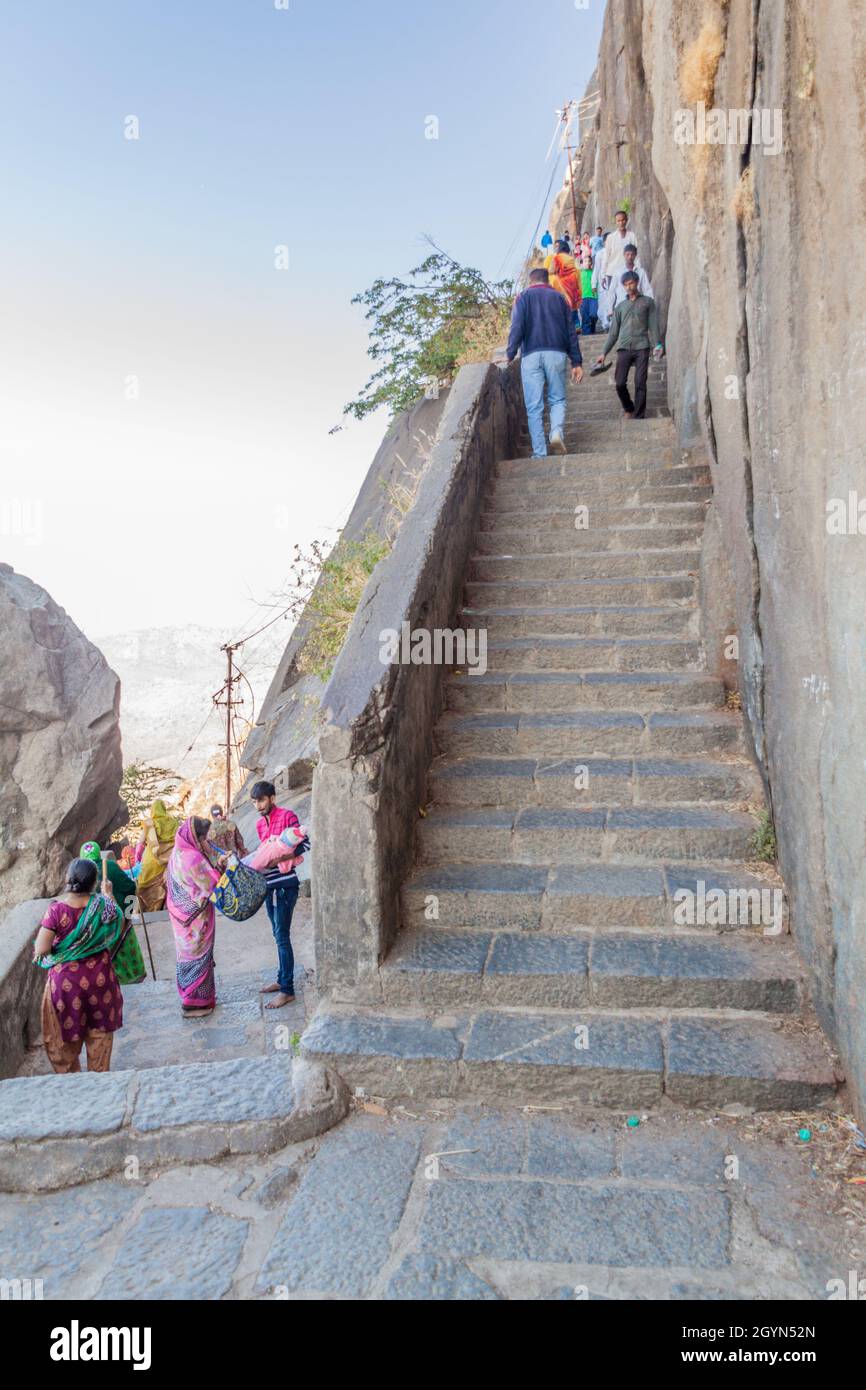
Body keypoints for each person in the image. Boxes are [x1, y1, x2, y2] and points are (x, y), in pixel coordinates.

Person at [33, 857, 125, 1073]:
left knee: (62, 1044)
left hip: (66, 987)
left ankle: (73, 1086)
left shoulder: (56, 911)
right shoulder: (102, 905)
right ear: (94, 883)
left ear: (67, 879)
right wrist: (108, 894)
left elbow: (41, 949)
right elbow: (117, 924)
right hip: (100, 982)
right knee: (99, 1039)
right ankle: (99, 1083)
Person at [506, 267, 584, 458]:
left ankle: (540, 453)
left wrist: (510, 353)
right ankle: (556, 432)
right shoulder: (560, 299)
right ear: (547, 281)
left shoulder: (523, 297)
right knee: (557, 399)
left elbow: (517, 326)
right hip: (556, 353)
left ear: (530, 281)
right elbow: (570, 332)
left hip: (531, 354)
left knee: (534, 406)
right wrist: (576, 362)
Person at [251, 781, 309, 1009]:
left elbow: (304, 845)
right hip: (269, 886)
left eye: (261, 800)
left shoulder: (287, 816)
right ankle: (281, 978)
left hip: (285, 885)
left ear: (272, 798)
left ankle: (287, 990)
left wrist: (278, 860)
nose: (258, 806)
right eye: (255, 802)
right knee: (277, 934)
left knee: (282, 935)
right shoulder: (258, 825)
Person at [165, 816, 226, 1017]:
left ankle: (193, 999)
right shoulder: (194, 858)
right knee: (199, 956)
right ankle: (194, 1003)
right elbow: (212, 885)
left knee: (186, 955)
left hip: (181, 919)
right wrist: (223, 867)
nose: (208, 843)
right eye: (205, 839)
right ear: (196, 838)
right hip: (196, 920)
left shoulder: (177, 853)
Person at [596, 269, 664, 420]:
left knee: (640, 382)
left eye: (631, 283)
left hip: (642, 346)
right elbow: (613, 333)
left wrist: (657, 344)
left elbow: (653, 326)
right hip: (624, 347)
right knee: (620, 383)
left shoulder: (648, 302)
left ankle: (639, 416)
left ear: (637, 283)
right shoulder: (620, 307)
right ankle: (628, 407)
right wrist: (603, 353)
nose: (628, 287)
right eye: (625, 285)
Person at [593, 210, 637, 329]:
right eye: (618, 220)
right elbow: (606, 256)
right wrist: (603, 275)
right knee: (612, 297)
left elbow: (636, 253)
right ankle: (613, 323)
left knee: (626, 296)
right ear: (615, 222)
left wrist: (636, 269)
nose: (621, 222)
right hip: (611, 272)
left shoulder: (631, 236)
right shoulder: (611, 238)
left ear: (626, 220)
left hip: (627, 272)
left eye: (623, 220)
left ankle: (625, 323)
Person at [136, 798, 181, 911]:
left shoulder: (149, 823)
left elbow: (140, 843)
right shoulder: (174, 823)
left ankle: (151, 909)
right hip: (170, 859)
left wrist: (137, 858)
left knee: (144, 885)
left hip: (152, 861)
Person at [80, 840, 137, 920]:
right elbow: (130, 887)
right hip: (117, 911)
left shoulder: (79, 872)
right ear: (99, 853)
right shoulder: (110, 865)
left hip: (90, 918)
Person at [544, 240, 582, 325]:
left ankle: (566, 328)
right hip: (573, 284)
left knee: (564, 306)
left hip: (563, 285)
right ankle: (576, 326)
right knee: (572, 305)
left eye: (557, 247)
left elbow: (551, 270)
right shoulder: (571, 258)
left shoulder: (557, 258)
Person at [579, 257, 598, 335]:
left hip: (593, 297)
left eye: (589, 261)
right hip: (582, 298)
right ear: (582, 263)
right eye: (585, 261)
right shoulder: (579, 274)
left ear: (591, 263)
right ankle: (586, 335)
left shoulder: (594, 273)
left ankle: (592, 326)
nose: (587, 263)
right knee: (585, 316)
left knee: (594, 314)